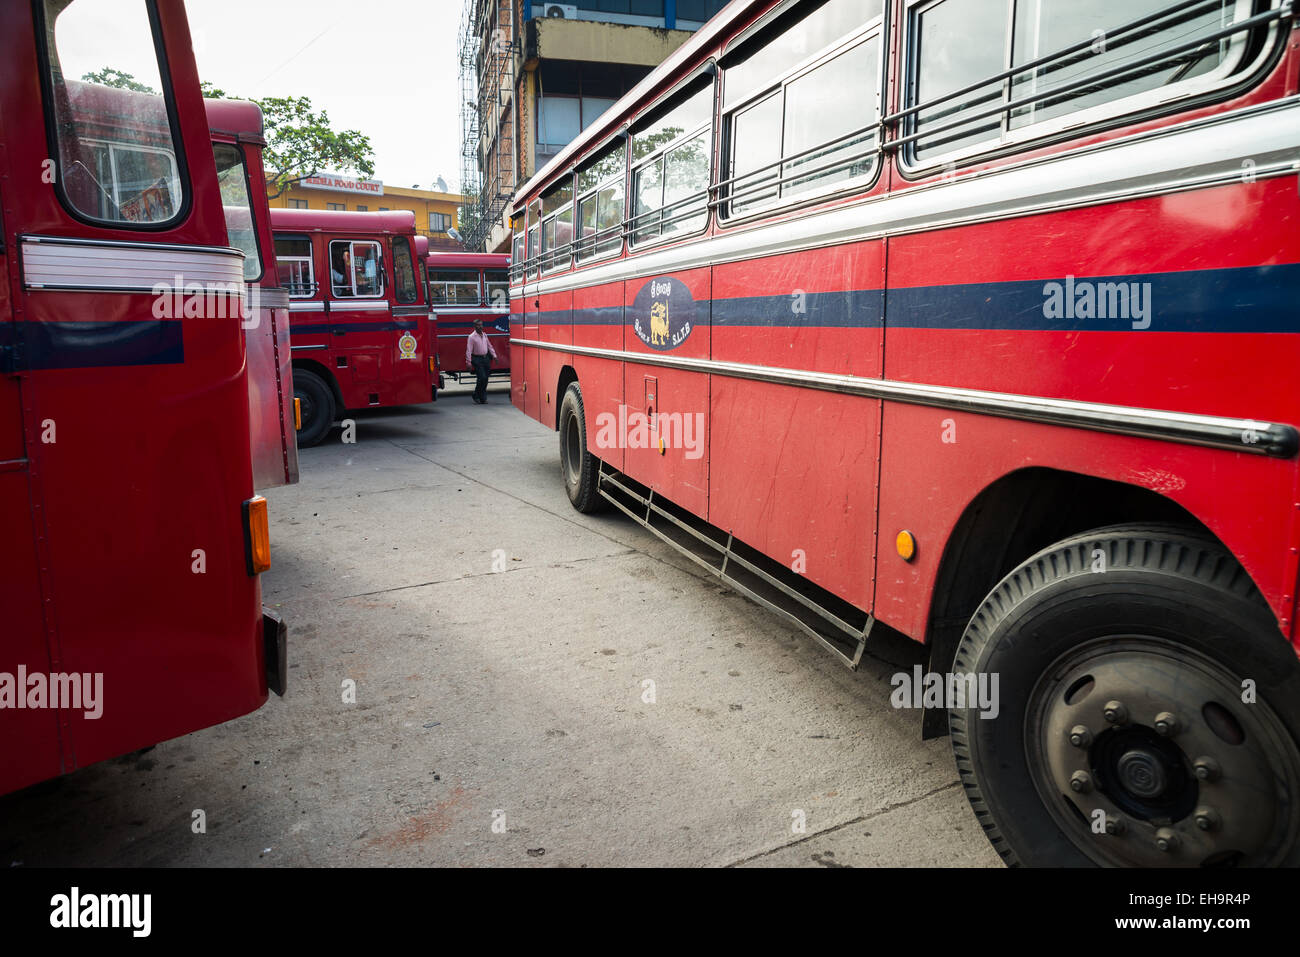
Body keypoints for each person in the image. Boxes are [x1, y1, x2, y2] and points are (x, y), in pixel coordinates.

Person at [466, 318, 498, 404]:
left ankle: (482, 397)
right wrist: (468, 362)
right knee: (482, 377)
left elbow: (489, 346)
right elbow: (468, 350)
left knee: (486, 379)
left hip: (486, 358)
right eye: (478, 325)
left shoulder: (484, 335)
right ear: (475, 326)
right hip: (477, 359)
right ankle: (476, 395)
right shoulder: (471, 337)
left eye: (481, 325)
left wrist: (494, 356)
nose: (480, 327)